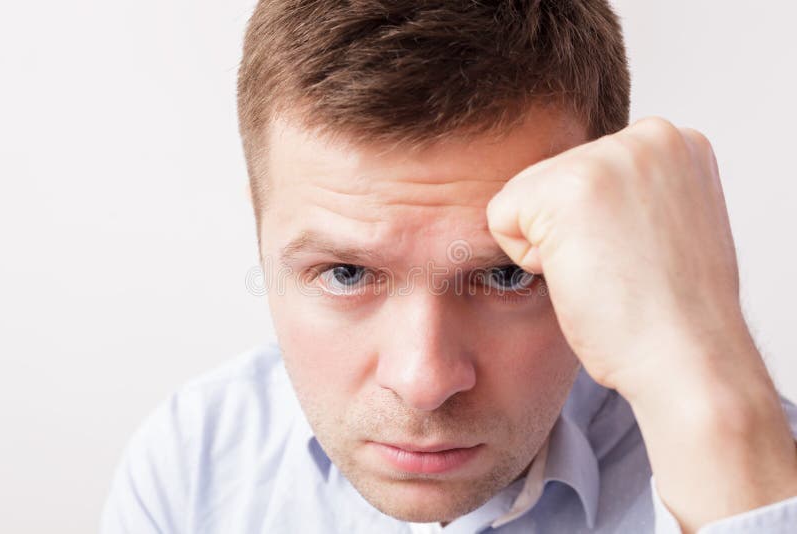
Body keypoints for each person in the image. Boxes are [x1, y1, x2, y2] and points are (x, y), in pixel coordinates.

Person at [101, 1, 797, 532]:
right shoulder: (194, 466)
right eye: (346, 273)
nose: (424, 382)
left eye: (506, 275)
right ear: (260, 233)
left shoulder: (763, 472)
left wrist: (711, 384)